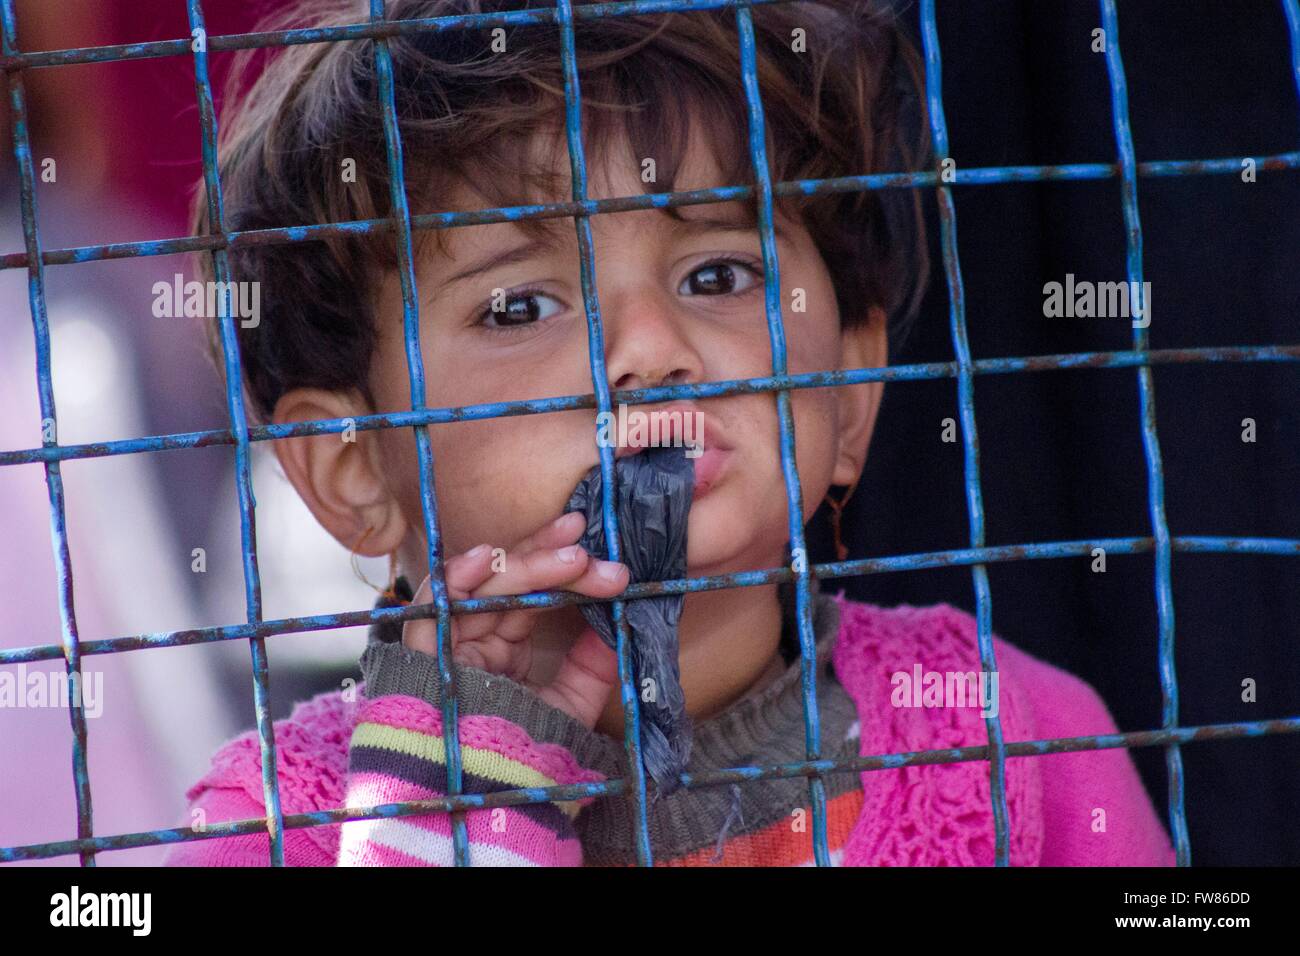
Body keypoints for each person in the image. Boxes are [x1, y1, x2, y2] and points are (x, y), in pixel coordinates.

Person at [164, 0, 1175, 866]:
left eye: (717, 277)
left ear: (849, 396)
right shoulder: (275, 822)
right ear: (353, 470)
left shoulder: (1013, 735)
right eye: (520, 306)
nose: (649, 349)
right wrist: (439, 813)